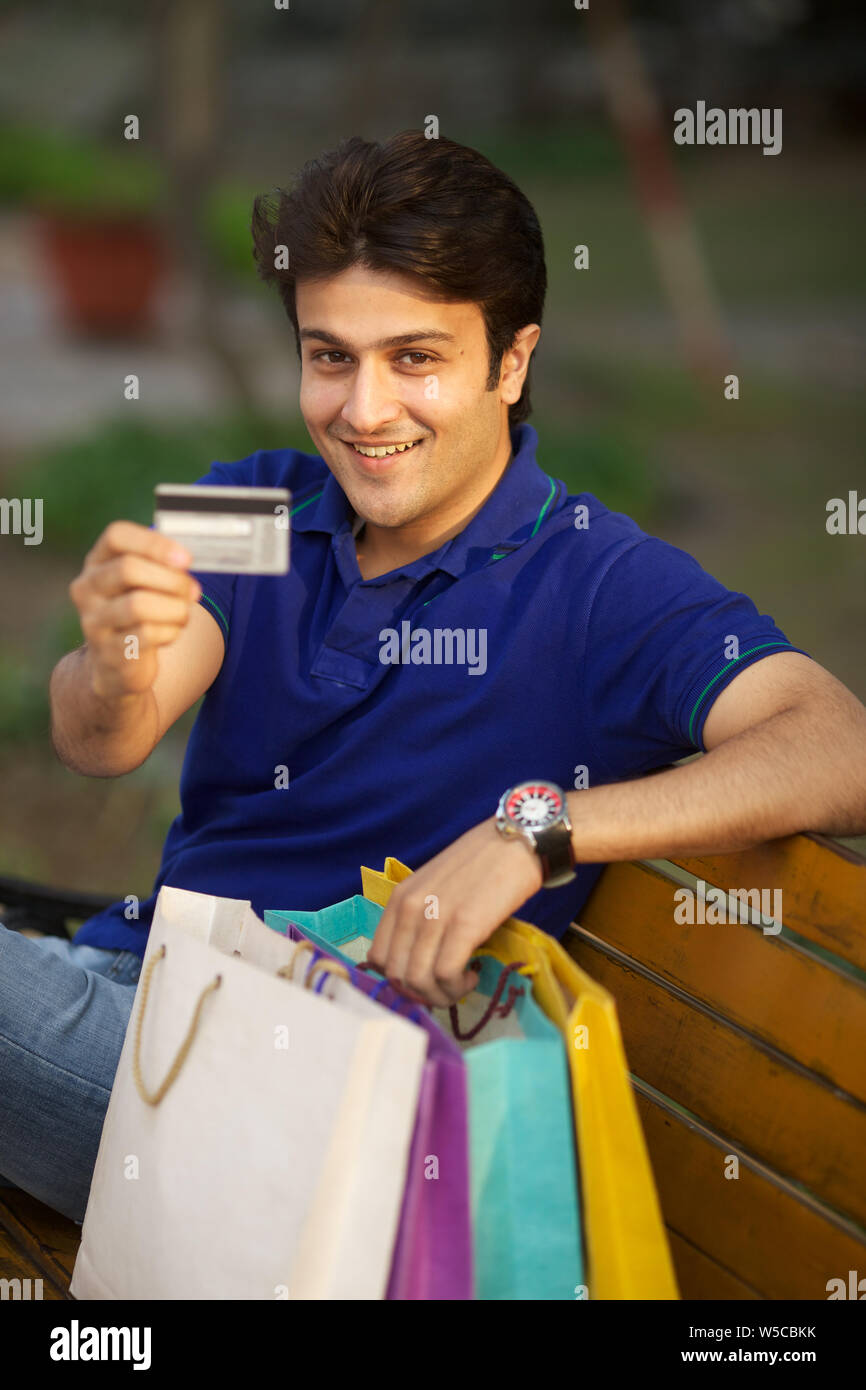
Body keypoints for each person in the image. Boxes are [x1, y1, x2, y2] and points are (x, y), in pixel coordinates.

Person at [3, 131, 865, 1222]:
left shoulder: (596, 578)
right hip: (126, 995)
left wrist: (533, 833)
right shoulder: (254, 506)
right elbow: (103, 742)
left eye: (414, 359)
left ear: (509, 363)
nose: (362, 412)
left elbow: (837, 742)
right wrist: (115, 655)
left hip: (291, 1113)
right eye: (330, 357)